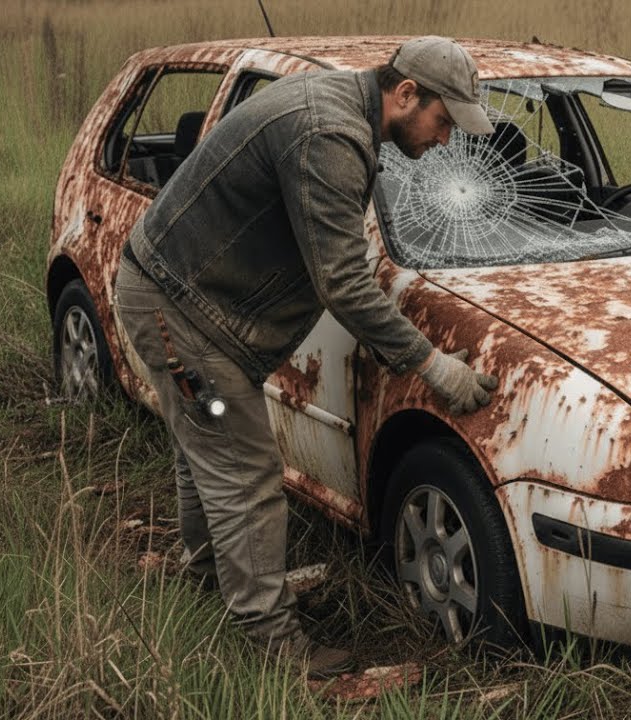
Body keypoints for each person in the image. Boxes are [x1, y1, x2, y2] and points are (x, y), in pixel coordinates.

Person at [113, 36, 498, 677]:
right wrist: (432, 365)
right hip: (179, 314)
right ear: (406, 94)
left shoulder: (340, 104)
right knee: (246, 473)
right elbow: (343, 283)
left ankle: (208, 582)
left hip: (186, 300)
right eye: (444, 120)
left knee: (205, 447)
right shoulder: (330, 135)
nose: (446, 140)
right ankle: (274, 649)